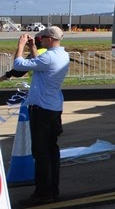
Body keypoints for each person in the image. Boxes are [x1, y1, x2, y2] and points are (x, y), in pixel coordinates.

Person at [13, 26, 69, 205]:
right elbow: (41, 63)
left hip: (42, 110)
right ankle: (53, 189)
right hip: (53, 107)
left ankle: (43, 192)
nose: (40, 40)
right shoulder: (61, 55)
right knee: (52, 150)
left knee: (41, 152)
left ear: (50, 39)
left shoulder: (50, 56)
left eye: (42, 38)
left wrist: (21, 46)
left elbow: (18, 65)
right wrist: (32, 48)